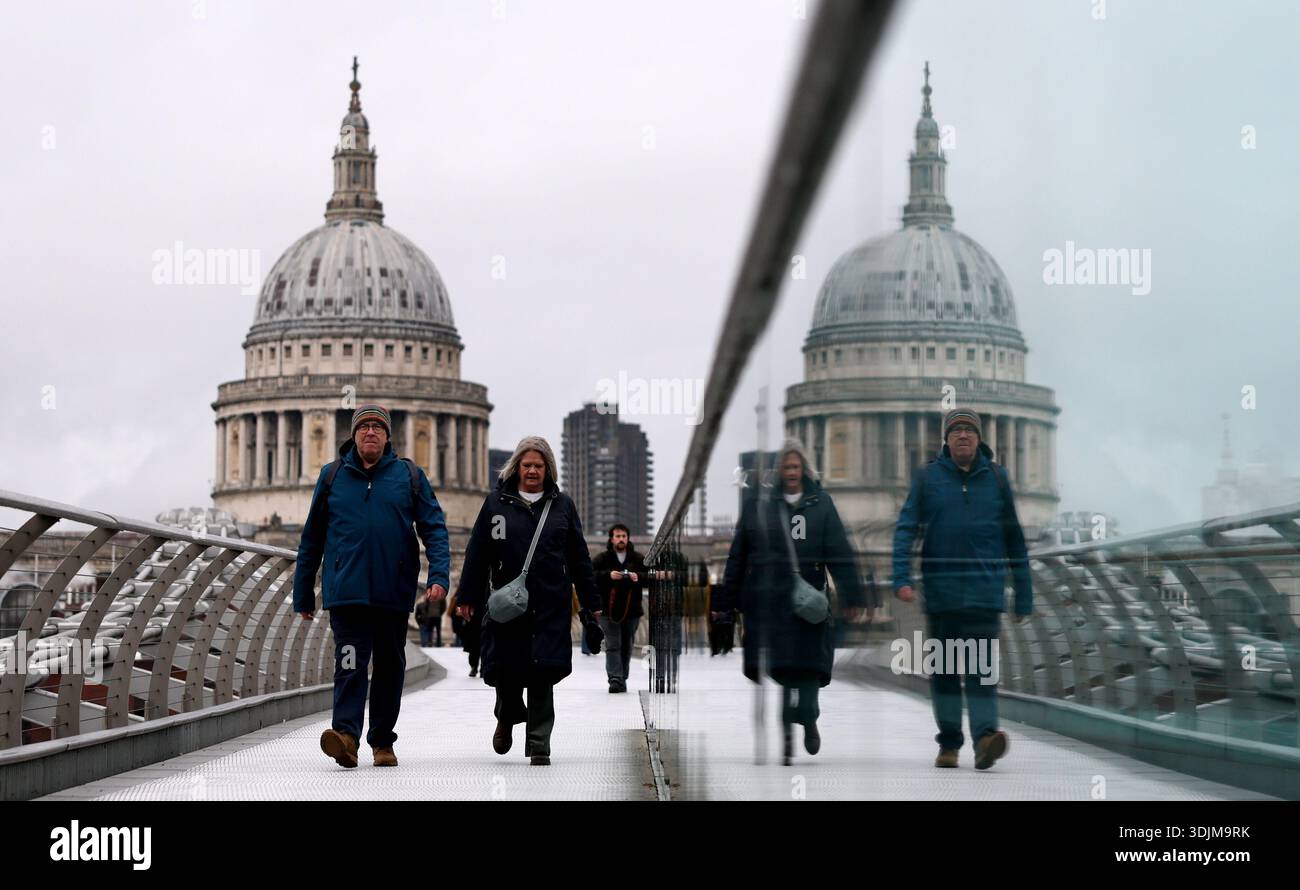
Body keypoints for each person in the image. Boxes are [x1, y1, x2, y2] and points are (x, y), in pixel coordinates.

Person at [294, 404, 449, 769]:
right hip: (346, 592)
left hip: (392, 592)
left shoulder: (409, 475)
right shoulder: (332, 476)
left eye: (378, 427)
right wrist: (303, 593)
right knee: (349, 663)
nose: (370, 433)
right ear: (353, 434)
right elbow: (311, 538)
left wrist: (439, 576)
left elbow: (434, 528)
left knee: (389, 668)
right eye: (364, 427)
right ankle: (345, 736)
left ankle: (382, 740)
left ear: (387, 436)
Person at [892, 408, 1032, 771]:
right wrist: (901, 578)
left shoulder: (998, 479)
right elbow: (906, 528)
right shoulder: (928, 478)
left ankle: (986, 738)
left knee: (982, 670)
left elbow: (1014, 539)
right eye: (956, 431)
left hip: (985, 594)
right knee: (946, 672)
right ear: (947, 440)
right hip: (942, 594)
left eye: (969, 430)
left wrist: (1024, 593)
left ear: (979, 438)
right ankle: (950, 743)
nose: (963, 436)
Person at [454, 436, 603, 765]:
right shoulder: (496, 504)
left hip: (550, 603)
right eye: (527, 465)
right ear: (516, 467)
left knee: (542, 673)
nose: (532, 471)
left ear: (548, 469)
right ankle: (506, 717)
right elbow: (478, 552)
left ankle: (539, 745)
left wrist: (592, 603)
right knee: (505, 671)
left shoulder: (562, 505)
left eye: (539, 465)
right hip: (508, 604)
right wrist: (467, 596)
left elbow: (579, 557)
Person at [718, 438, 866, 765]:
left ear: (805, 470)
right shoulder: (761, 506)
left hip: (810, 598)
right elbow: (739, 556)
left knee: (810, 668)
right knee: (784, 668)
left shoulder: (821, 504)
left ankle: (809, 718)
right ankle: (786, 734)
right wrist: (727, 600)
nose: (791, 472)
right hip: (774, 601)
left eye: (796, 466)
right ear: (778, 471)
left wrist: (852, 595)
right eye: (786, 467)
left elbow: (839, 552)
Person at [592, 523, 646, 693]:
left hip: (632, 610)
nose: (621, 539)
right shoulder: (602, 558)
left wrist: (638, 577)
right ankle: (615, 679)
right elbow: (590, 576)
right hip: (608, 610)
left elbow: (649, 576)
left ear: (628, 538)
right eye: (618, 536)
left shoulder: (638, 558)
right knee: (613, 644)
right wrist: (609, 576)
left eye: (623, 536)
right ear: (612, 539)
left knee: (627, 645)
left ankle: (621, 677)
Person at [448, 591, 481, 677]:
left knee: (483, 646)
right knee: (474, 646)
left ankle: (482, 668)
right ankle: (474, 667)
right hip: (471, 621)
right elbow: (452, 612)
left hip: (480, 617)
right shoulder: (461, 593)